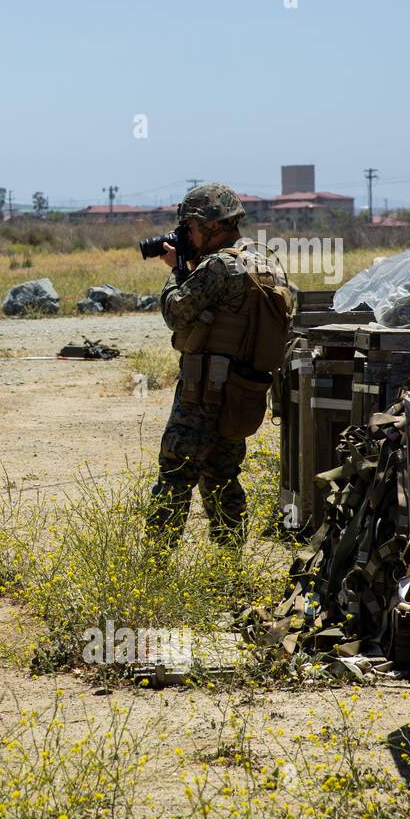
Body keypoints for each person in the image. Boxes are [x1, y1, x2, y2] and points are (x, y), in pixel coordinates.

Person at [147, 182, 292, 547]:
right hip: (241, 393)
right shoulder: (261, 261)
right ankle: (229, 565)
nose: (187, 235)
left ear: (211, 226)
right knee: (222, 475)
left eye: (190, 228)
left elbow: (176, 312)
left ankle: (154, 567)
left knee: (175, 474)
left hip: (201, 394)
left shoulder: (218, 267)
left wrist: (176, 269)